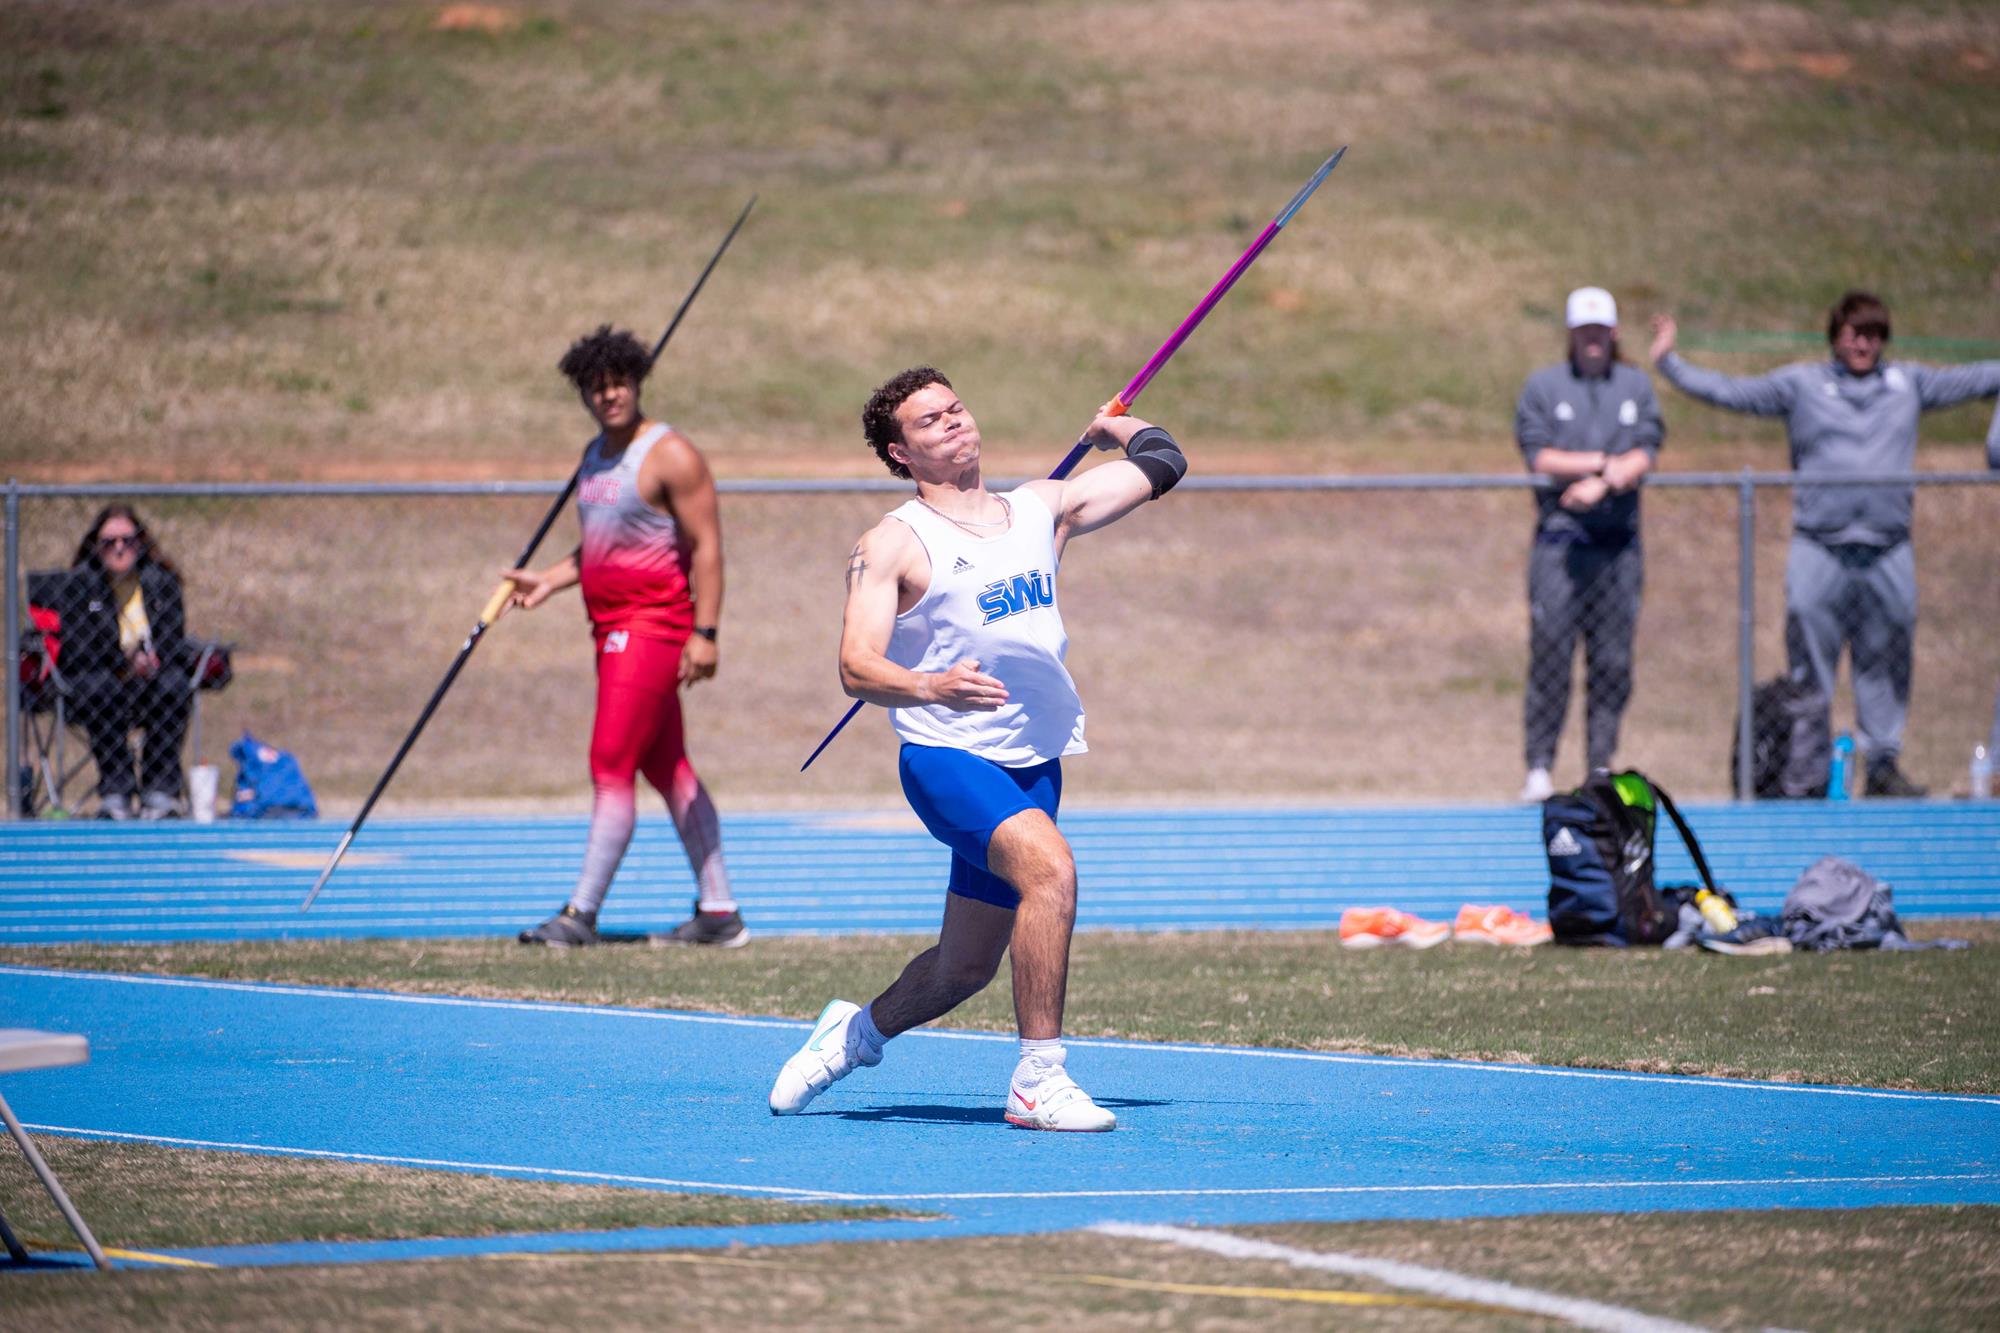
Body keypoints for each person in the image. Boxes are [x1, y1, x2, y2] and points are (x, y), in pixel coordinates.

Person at [768, 367, 1187, 1132]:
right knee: (1052, 873)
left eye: (956, 407)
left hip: (1031, 757)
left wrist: (1112, 429)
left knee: (963, 967)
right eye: (929, 422)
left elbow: (1165, 462)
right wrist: (931, 685)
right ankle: (1038, 1079)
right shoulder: (891, 543)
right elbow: (856, 665)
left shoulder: (1041, 508)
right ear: (901, 453)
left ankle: (853, 1034)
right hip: (946, 754)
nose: (952, 423)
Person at [1652, 292, 2000, 797]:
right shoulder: (1803, 385)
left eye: (1875, 334)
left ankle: (1882, 765)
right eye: (1856, 332)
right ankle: (1805, 763)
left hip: (1888, 548)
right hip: (1819, 547)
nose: (1865, 343)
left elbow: (1983, 378)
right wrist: (1670, 362)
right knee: (1809, 661)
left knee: (1885, 658)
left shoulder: (1908, 384)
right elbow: (1731, 392)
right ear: (1835, 335)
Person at [501, 325, 743, 946]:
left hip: (651, 628)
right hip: (607, 627)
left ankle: (580, 913)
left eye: (618, 383)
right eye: (595, 387)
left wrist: (706, 632)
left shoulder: (670, 454)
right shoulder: (595, 455)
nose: (608, 395)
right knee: (668, 768)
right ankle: (719, 913)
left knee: (610, 764)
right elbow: (602, 543)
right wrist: (550, 580)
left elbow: (708, 548)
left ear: (636, 382)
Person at [1514, 287, 1664, 802]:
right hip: (1560, 546)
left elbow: (1646, 450)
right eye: (1584, 332)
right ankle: (1539, 766)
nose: (1593, 340)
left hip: (1618, 547)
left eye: (1601, 331)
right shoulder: (1544, 386)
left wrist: (1604, 480)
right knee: (1551, 653)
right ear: (1572, 335)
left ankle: (1600, 766)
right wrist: (1603, 464)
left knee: (1613, 661)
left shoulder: (1635, 386)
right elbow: (1540, 456)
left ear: (1614, 333)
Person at [57, 505, 195, 819]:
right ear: (95, 545)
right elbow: (78, 651)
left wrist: (151, 661)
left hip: (150, 684)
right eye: (109, 542)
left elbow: (175, 641)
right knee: (98, 687)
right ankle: (116, 789)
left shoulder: (162, 582)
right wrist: (123, 661)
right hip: (101, 685)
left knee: (174, 683)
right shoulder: (81, 585)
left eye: (127, 540)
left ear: (141, 541)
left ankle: (160, 789)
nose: (119, 548)